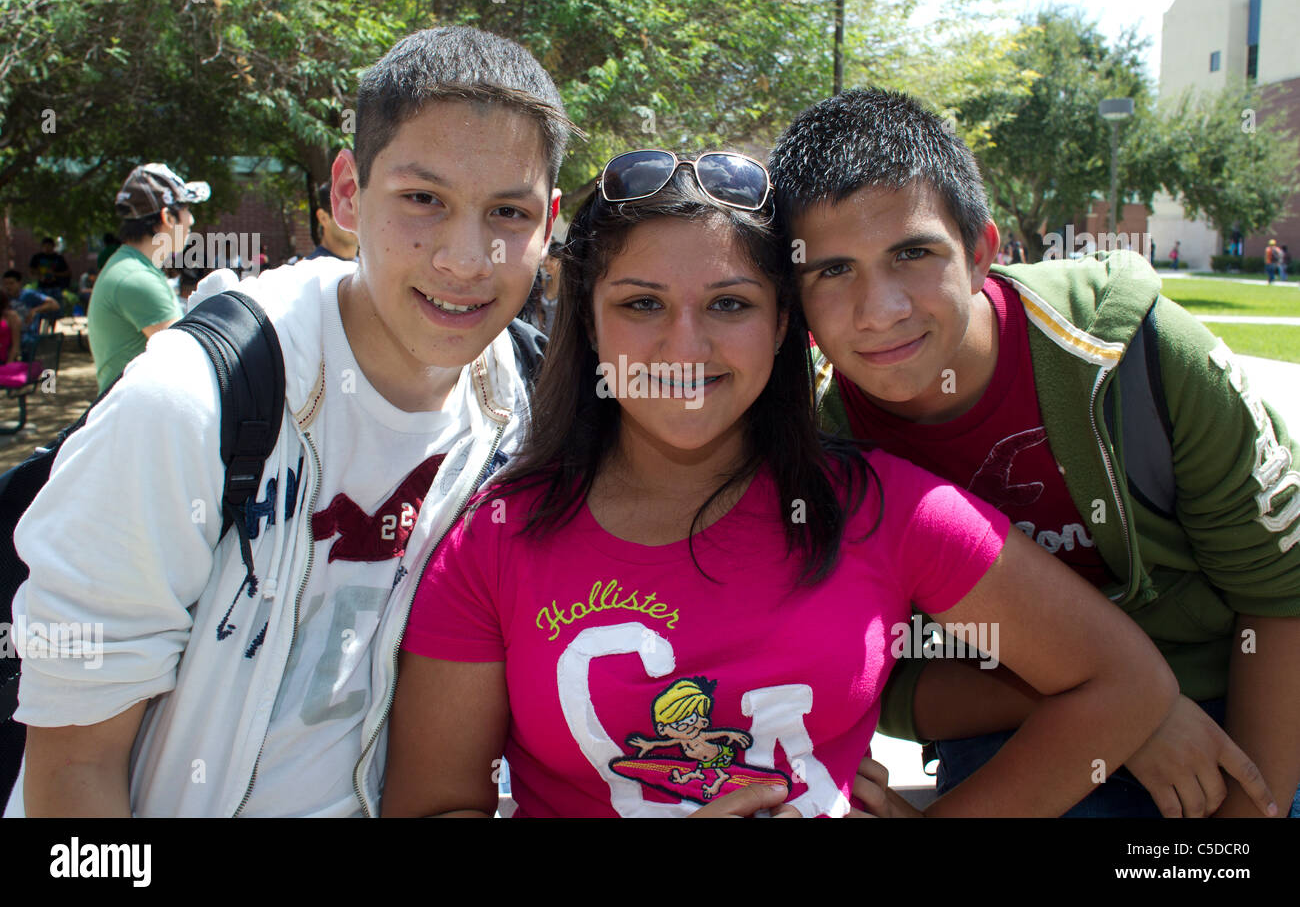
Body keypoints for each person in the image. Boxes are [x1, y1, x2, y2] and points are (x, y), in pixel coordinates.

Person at [382, 150, 1177, 819]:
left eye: (730, 303)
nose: (683, 344)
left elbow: (1124, 681)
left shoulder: (884, 509)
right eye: (641, 304)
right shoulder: (492, 545)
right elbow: (430, 805)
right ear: (587, 323)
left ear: (785, 324)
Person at [7, 25, 571, 818]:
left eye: (506, 212)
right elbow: (73, 770)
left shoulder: (532, 410)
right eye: (422, 200)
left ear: (547, 223)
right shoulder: (195, 401)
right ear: (347, 193)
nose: (465, 257)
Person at [768, 87, 1300, 818]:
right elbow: (884, 681)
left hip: (1237, 691)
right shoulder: (821, 451)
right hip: (1015, 713)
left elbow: (1280, 597)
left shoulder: (1140, 355)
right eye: (832, 270)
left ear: (982, 252)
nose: (880, 308)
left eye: (913, 253)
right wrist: (1120, 708)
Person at [85, 163, 205, 393]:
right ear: (168, 217)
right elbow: (188, 362)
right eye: (187, 208)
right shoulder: (137, 279)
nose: (191, 220)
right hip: (138, 425)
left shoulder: (130, 267)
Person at [1, 271, 59, 360]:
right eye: (6, 284)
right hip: (9, 334)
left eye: (11, 283)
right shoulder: (4, 298)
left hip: (27, 333)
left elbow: (54, 304)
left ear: (19, 283)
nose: (8, 287)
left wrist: (34, 310)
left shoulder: (28, 295)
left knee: (27, 343)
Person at [307, 180, 359, 262]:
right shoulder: (306, 272)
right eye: (349, 209)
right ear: (323, 218)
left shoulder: (371, 271)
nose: (358, 219)